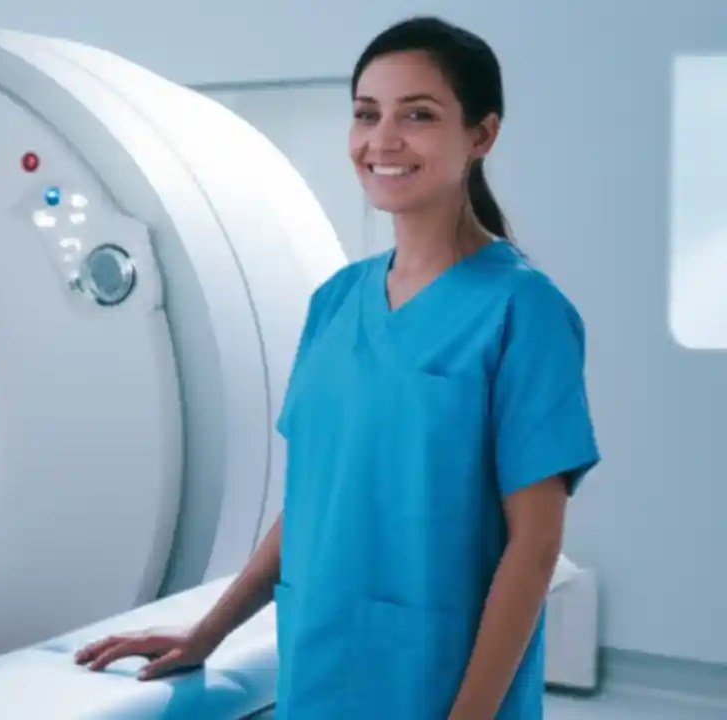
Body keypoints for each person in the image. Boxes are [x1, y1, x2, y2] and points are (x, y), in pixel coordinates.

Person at [73, 15, 601, 719]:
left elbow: (534, 548)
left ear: (482, 134)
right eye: (366, 114)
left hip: (441, 679)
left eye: (417, 114)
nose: (383, 139)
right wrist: (209, 633)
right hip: (319, 663)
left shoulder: (522, 311)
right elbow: (314, 500)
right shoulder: (335, 302)